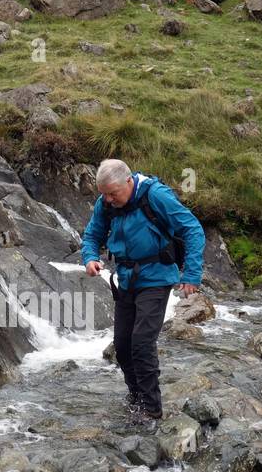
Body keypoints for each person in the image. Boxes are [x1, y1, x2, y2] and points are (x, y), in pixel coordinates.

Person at [81, 159, 205, 426]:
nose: (109, 199)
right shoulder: (106, 203)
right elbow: (92, 235)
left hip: (157, 277)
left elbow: (192, 229)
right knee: (122, 345)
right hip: (125, 279)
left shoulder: (155, 196)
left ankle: (152, 409)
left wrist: (191, 274)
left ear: (128, 182)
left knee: (141, 342)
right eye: (104, 194)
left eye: (113, 193)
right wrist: (90, 257)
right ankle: (136, 398)